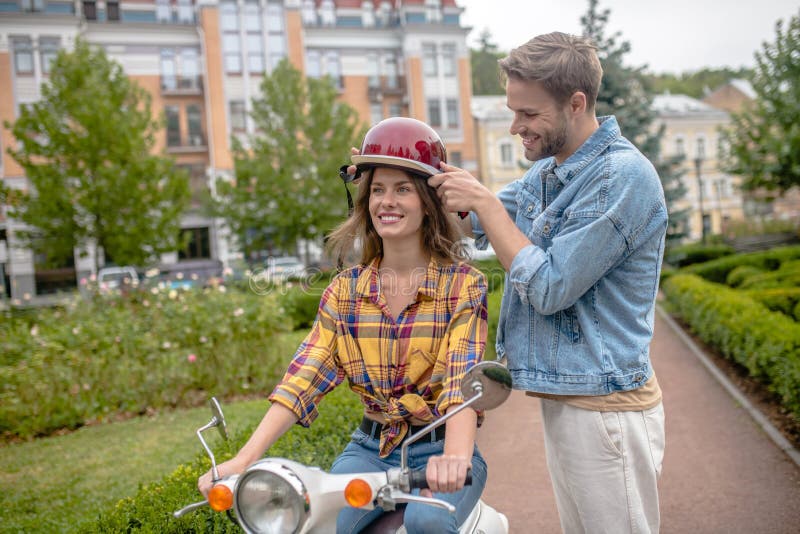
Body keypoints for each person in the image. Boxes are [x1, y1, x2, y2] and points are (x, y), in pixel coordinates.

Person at [198, 117, 490, 534]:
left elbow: (463, 381)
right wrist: (245, 459)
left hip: (440, 447)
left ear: (427, 201)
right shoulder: (344, 291)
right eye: (377, 190)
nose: (386, 201)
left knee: (429, 520)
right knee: (325, 523)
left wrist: (457, 457)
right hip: (370, 449)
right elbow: (304, 376)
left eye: (403, 188)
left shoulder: (464, 286)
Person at [427, 32, 667, 533]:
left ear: (576, 103)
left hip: (607, 411)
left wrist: (489, 204)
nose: (516, 127)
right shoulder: (549, 175)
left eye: (528, 114)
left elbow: (551, 286)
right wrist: (408, 182)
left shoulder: (620, 177)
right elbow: (468, 221)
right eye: (513, 111)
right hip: (572, 404)